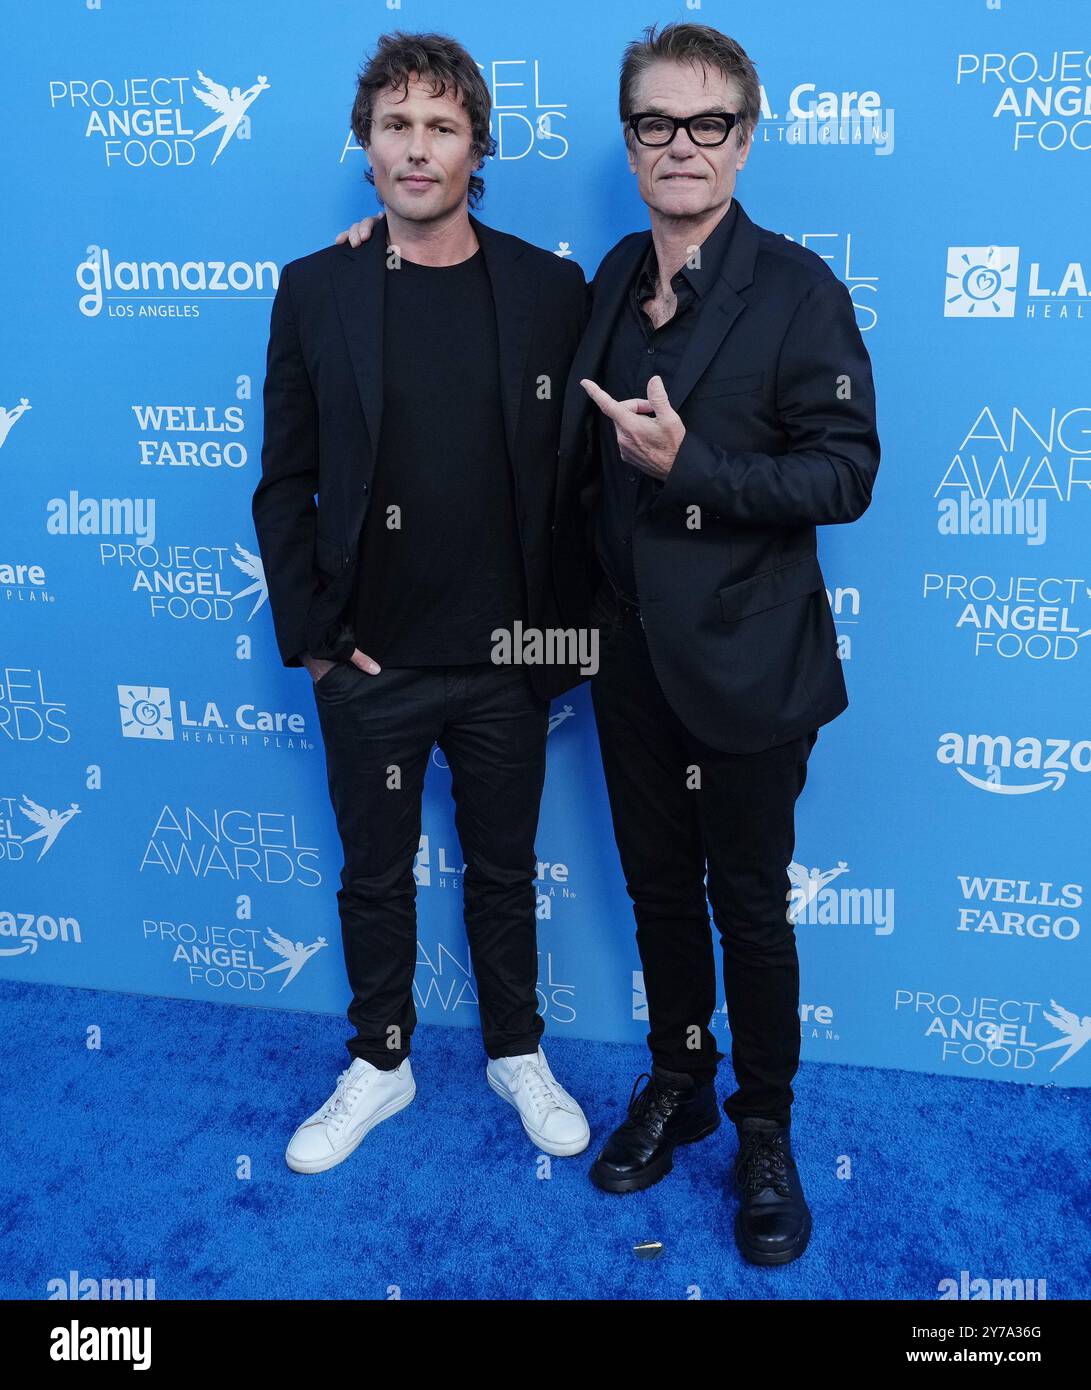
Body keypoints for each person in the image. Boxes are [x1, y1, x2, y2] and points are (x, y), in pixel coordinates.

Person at [252, 30, 593, 1175]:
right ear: (365, 146)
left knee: (504, 870)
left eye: (439, 126)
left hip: (508, 657)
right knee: (371, 872)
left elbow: (585, 484)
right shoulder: (315, 288)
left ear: (475, 146)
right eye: (395, 125)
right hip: (369, 661)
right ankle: (380, 1062)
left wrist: (561, 650)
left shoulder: (551, 289)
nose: (416, 146)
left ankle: (515, 1051)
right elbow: (283, 479)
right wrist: (313, 641)